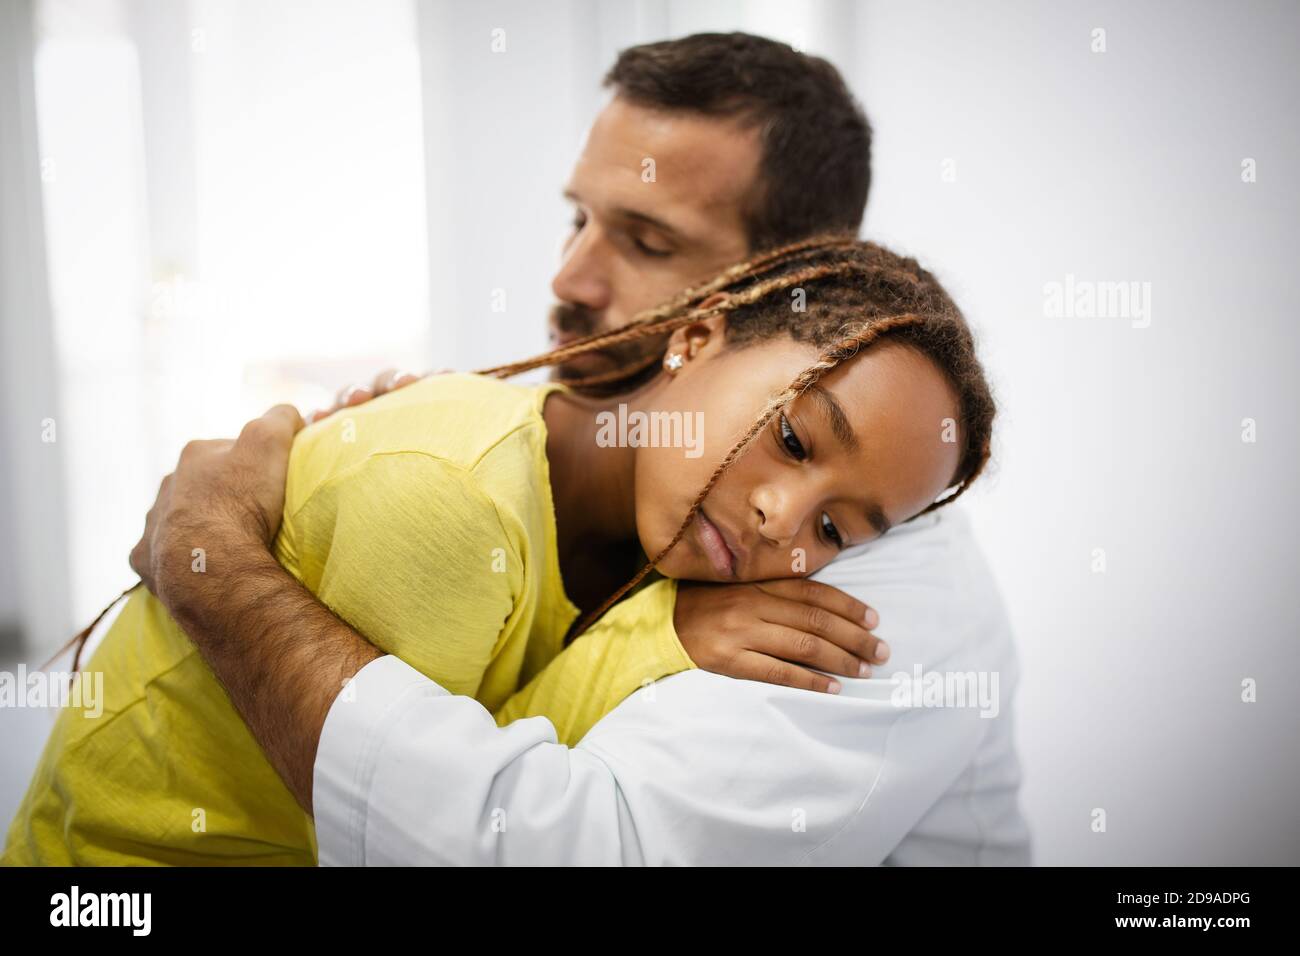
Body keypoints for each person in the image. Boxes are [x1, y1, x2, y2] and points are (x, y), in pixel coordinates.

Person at [35, 33, 1033, 865]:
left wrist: (216, 562)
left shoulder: (868, 592)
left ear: (780, 279)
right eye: (578, 218)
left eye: (646, 241)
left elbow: (524, 823)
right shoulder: (505, 485)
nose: (570, 278)